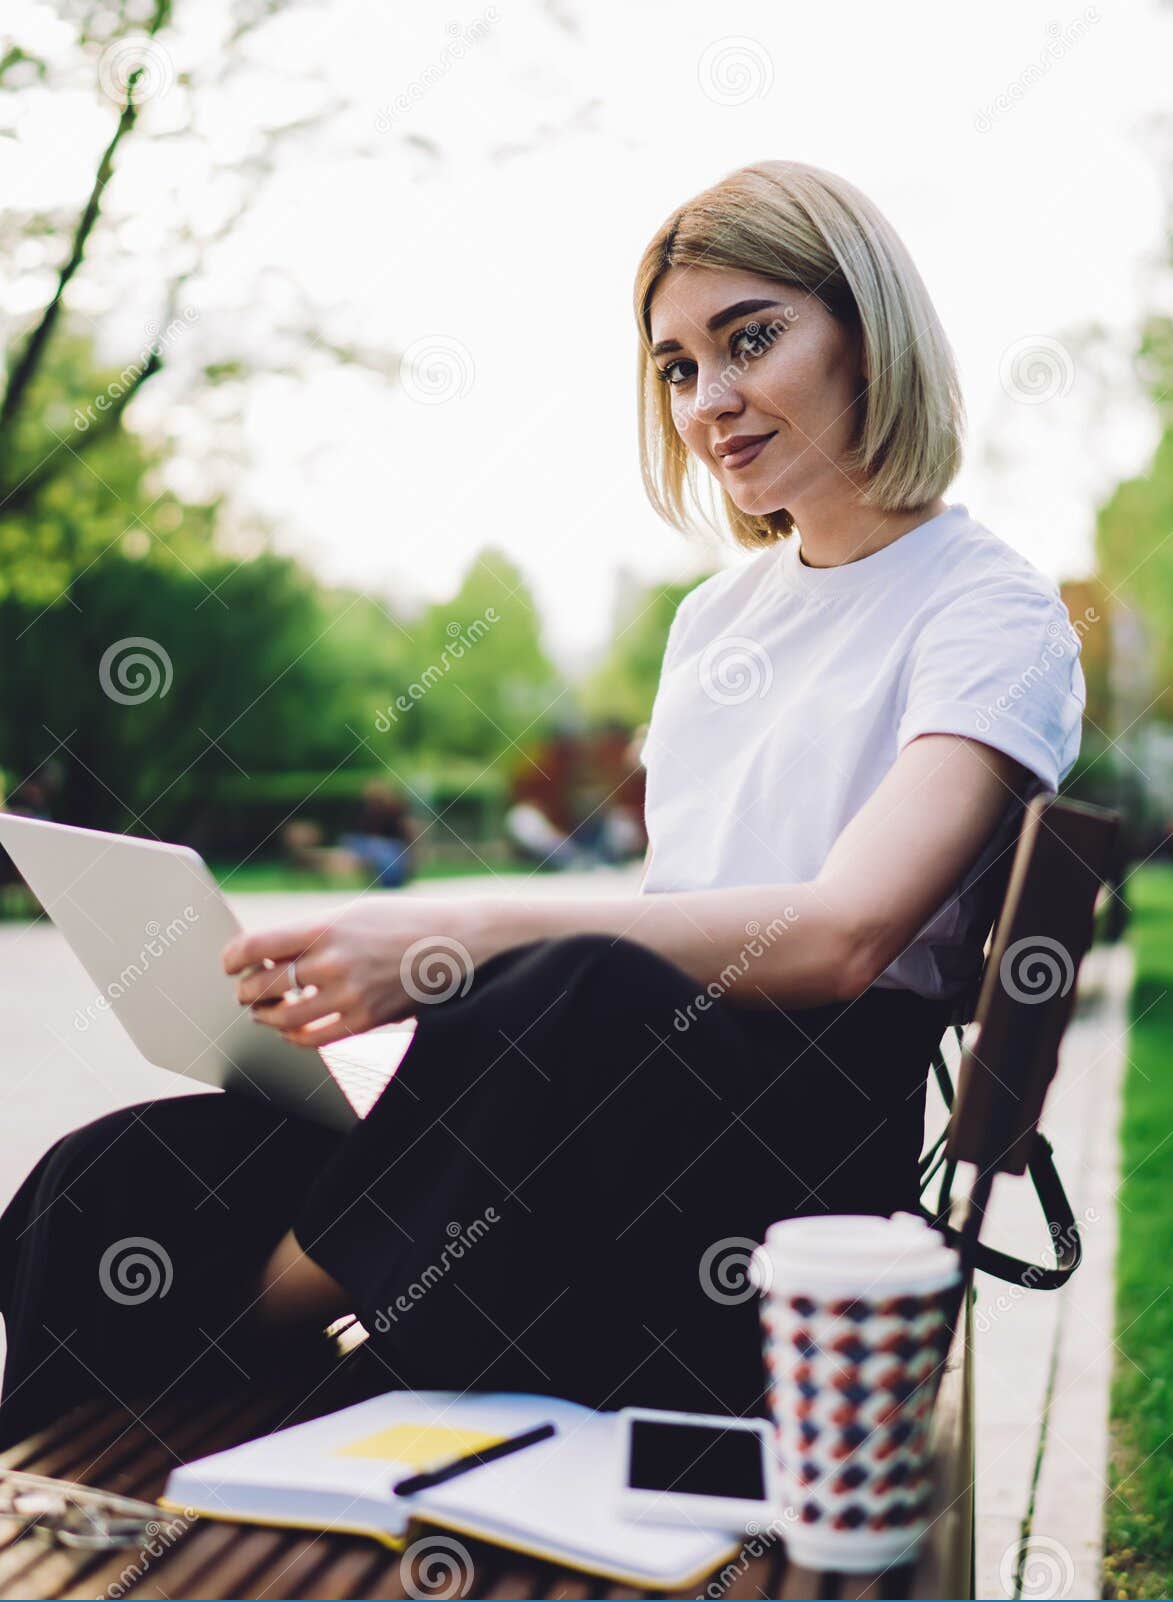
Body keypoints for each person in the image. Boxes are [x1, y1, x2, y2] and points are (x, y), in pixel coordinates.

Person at [0, 160, 1084, 1444]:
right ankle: (118, 1454)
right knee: (112, 1181)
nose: (710, 401)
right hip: (618, 1118)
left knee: (562, 987)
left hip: (778, 1186)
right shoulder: (716, 619)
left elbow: (849, 934)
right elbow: (671, 934)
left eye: (751, 340)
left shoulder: (991, 611)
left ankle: (261, 1329)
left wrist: (452, 941)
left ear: (871, 331)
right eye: (677, 366)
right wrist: (424, 1027)